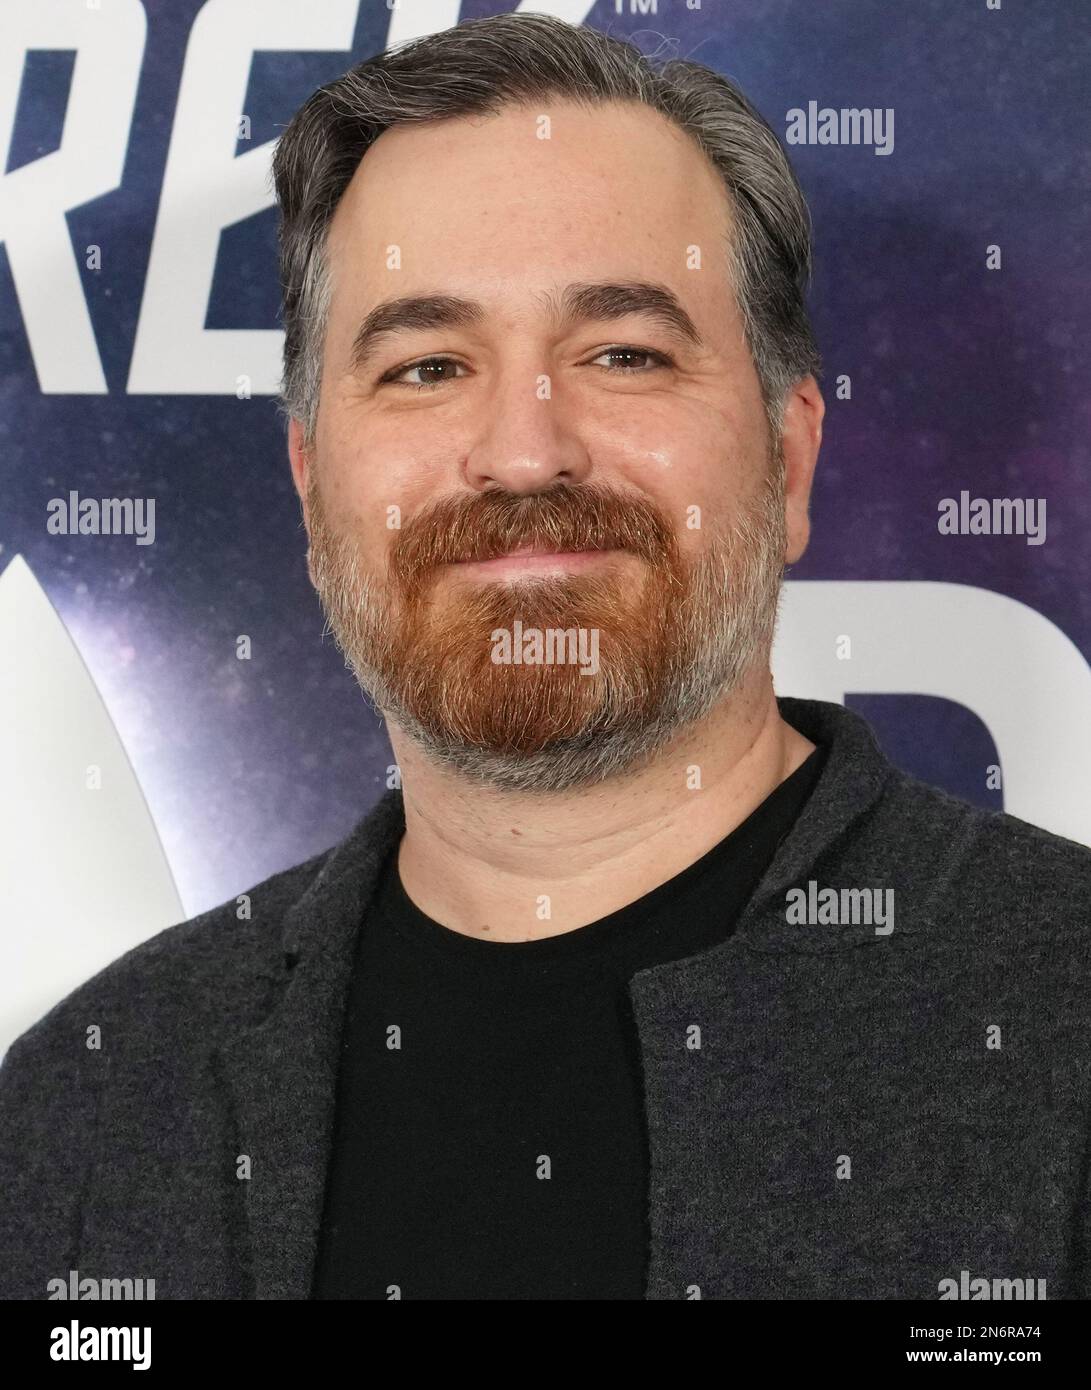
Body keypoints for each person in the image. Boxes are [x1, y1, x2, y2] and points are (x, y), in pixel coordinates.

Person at [3, 12, 1090, 1301]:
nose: (525, 452)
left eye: (623, 353)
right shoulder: (86, 1105)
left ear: (790, 456)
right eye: (425, 365)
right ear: (310, 487)